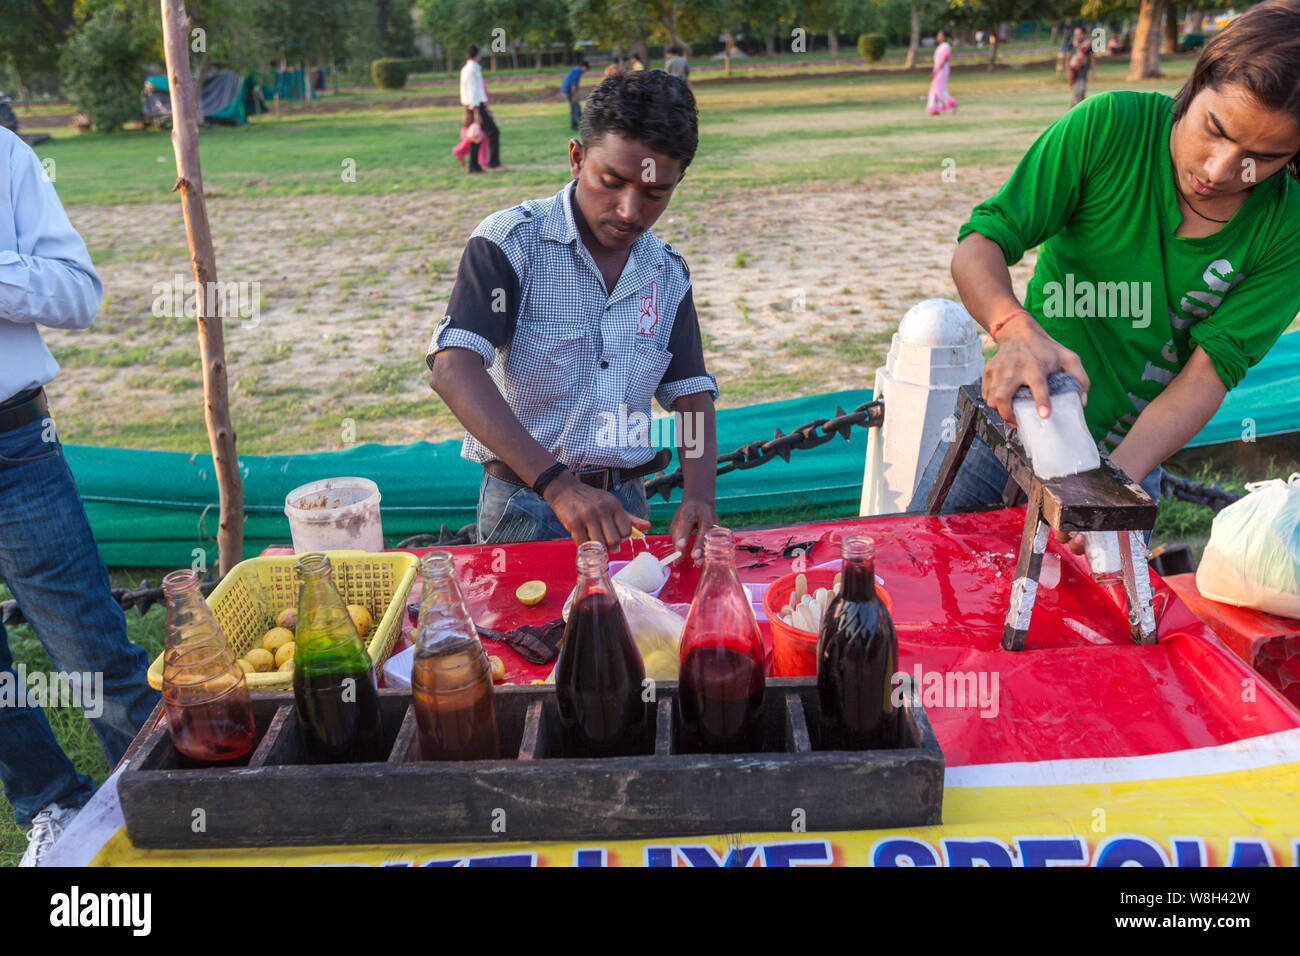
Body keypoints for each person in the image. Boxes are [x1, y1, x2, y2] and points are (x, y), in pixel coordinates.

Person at [908, 0, 1300, 565]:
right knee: (928, 593)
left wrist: (1111, 484)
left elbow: (1207, 375)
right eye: (1215, 130)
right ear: (1197, 81)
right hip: (1007, 431)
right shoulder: (1109, 128)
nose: (1219, 170)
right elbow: (983, 242)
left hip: (1128, 462)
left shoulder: (1286, 227)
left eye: (1261, 158)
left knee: (1086, 644)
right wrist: (1013, 328)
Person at [427, 70, 719, 559]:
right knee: (518, 628)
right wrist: (558, 486)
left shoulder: (667, 275)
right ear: (577, 158)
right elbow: (452, 369)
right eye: (611, 181)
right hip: (523, 502)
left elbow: (689, 396)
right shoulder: (510, 243)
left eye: (654, 193)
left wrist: (698, 496)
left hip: (625, 504)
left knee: (628, 631)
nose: (630, 210)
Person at [0, 126, 160, 866]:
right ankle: (53, 804)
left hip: (12, 451)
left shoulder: (6, 157)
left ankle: (173, 802)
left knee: (94, 652)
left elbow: (79, 295)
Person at [459, 44, 501, 173]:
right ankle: (493, 163)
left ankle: (474, 166)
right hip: (476, 106)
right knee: (493, 132)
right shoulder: (472, 69)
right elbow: (473, 92)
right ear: (477, 55)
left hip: (472, 106)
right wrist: (477, 113)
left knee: (475, 136)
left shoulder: (466, 68)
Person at [927, 31, 958, 115]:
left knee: (939, 89)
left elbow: (943, 61)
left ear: (945, 37)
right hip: (937, 69)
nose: (938, 37)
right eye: (938, 35)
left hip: (942, 70)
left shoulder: (946, 47)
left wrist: (935, 72)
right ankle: (935, 109)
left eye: (940, 36)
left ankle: (953, 103)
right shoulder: (940, 47)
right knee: (934, 89)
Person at [1067, 26, 1095, 107]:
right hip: (1073, 70)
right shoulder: (1071, 45)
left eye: (1079, 34)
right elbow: (1067, 58)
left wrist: (1093, 71)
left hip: (1083, 69)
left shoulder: (1087, 45)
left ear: (1084, 34)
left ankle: (1077, 106)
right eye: (1076, 34)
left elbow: (1091, 58)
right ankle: (1076, 106)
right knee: (1075, 90)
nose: (1077, 36)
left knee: (1081, 88)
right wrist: (1068, 70)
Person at [561, 59, 589, 131]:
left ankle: (583, 125)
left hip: (566, 91)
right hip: (568, 91)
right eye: (586, 69)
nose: (585, 71)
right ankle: (576, 126)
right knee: (575, 109)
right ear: (583, 66)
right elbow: (573, 84)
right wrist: (574, 96)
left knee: (577, 108)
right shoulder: (577, 71)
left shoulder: (576, 70)